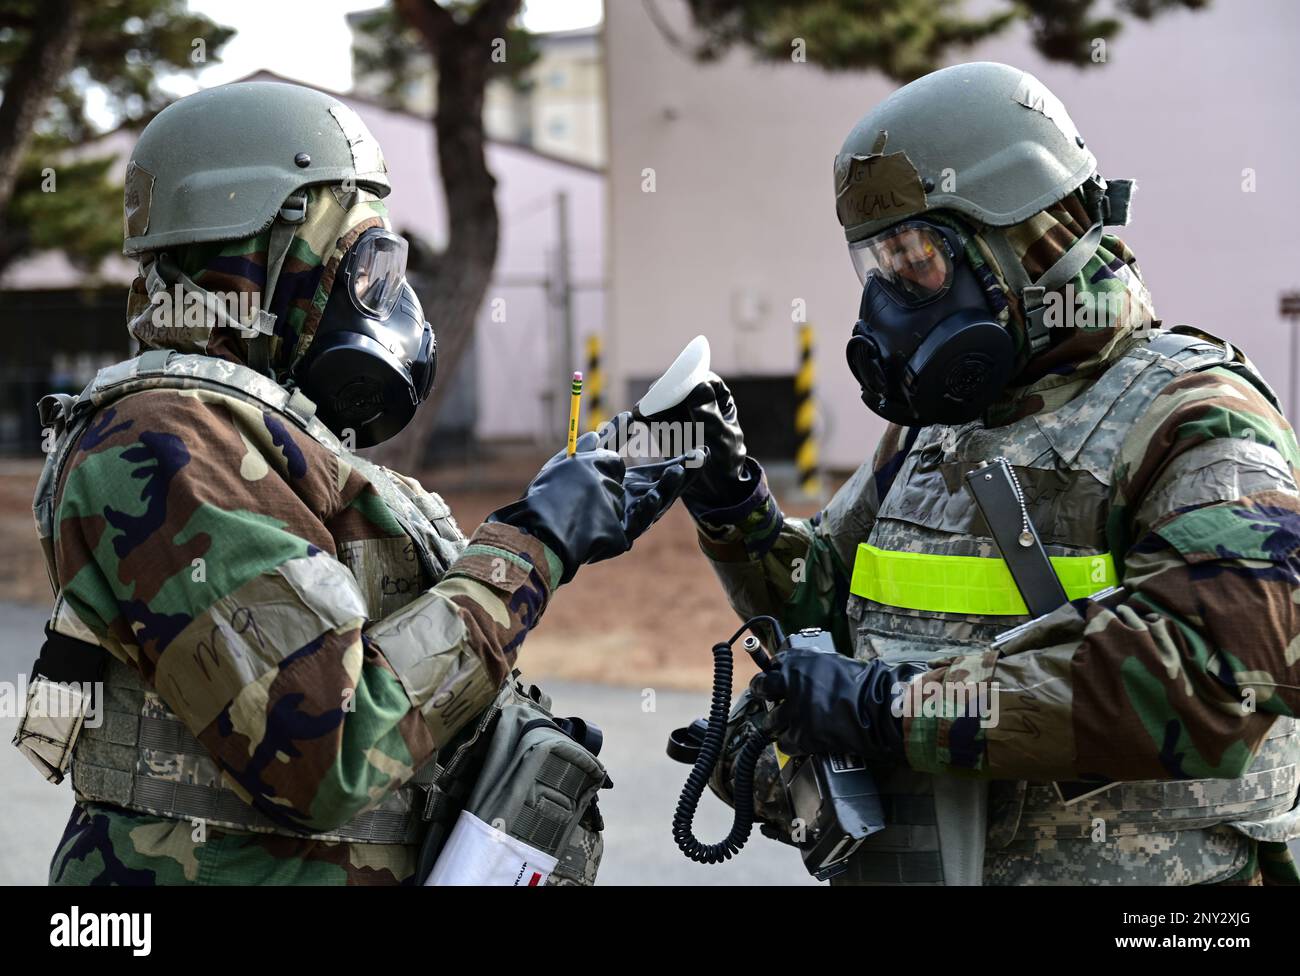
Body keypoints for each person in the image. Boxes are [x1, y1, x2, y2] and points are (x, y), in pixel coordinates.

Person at [22, 81, 687, 885]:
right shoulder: (168, 441)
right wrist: (534, 545)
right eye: (364, 262)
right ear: (271, 253)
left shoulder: (268, 434)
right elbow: (328, 752)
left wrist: (490, 732)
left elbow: (371, 662)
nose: (378, 300)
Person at [652, 61, 1300, 885]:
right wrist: (731, 502)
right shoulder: (931, 432)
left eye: (916, 259)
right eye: (877, 266)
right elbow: (827, 602)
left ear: (1027, 240)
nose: (889, 301)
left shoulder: (1193, 414)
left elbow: (1219, 676)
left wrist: (890, 709)